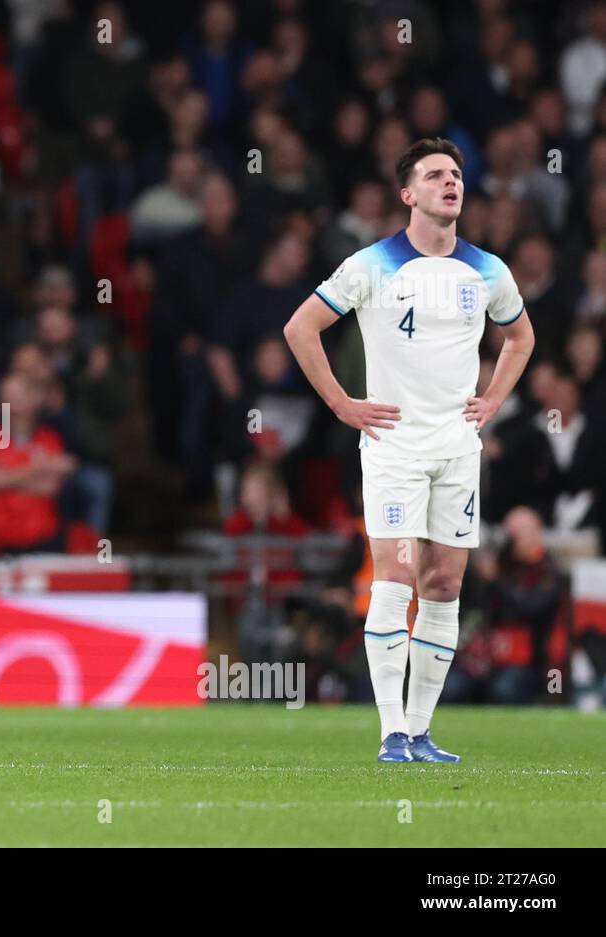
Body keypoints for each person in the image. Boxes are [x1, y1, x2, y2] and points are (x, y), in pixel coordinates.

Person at [283, 137, 536, 762]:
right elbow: (300, 328)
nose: (451, 183)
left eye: (455, 175)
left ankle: (421, 731)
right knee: (394, 580)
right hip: (393, 447)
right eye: (435, 176)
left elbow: (521, 337)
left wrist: (494, 400)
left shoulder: (487, 270)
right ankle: (390, 731)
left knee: (445, 585)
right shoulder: (371, 265)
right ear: (408, 194)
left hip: (457, 449)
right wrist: (344, 404)